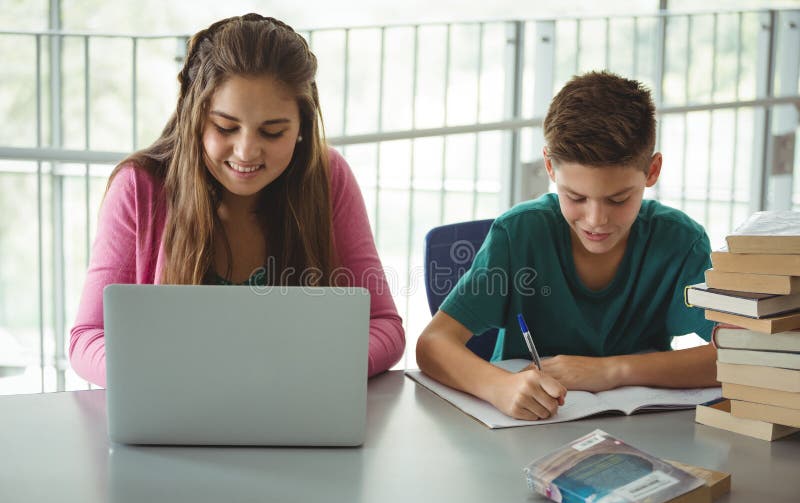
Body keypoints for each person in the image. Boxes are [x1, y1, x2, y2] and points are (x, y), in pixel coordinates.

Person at [69, 14, 405, 387]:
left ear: (301, 130)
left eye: (273, 131)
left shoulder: (328, 177)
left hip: (295, 414)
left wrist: (315, 369)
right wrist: (151, 372)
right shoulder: (140, 187)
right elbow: (87, 337)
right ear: (193, 117)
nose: (246, 152)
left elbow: (385, 326)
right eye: (225, 127)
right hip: (177, 417)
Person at [416, 71, 717, 421]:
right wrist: (499, 387)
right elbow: (433, 344)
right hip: (526, 432)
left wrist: (612, 371)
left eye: (619, 199)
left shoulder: (680, 241)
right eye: (575, 197)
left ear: (652, 170)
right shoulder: (520, 234)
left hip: (642, 433)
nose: (595, 220)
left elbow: (745, 354)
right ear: (550, 167)